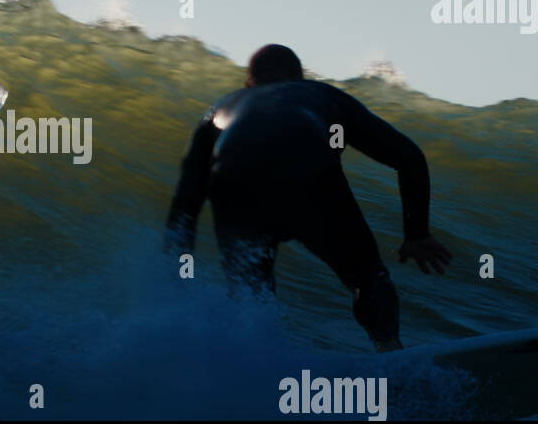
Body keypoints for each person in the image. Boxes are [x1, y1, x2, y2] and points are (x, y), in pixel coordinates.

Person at [165, 44, 452, 352]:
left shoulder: (221, 108)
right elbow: (408, 156)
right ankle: (390, 351)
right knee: (367, 278)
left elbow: (186, 200)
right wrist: (416, 233)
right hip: (307, 169)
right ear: (299, 75)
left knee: (251, 295)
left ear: (249, 82)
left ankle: (255, 368)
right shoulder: (319, 94)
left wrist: (173, 271)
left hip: (235, 182)